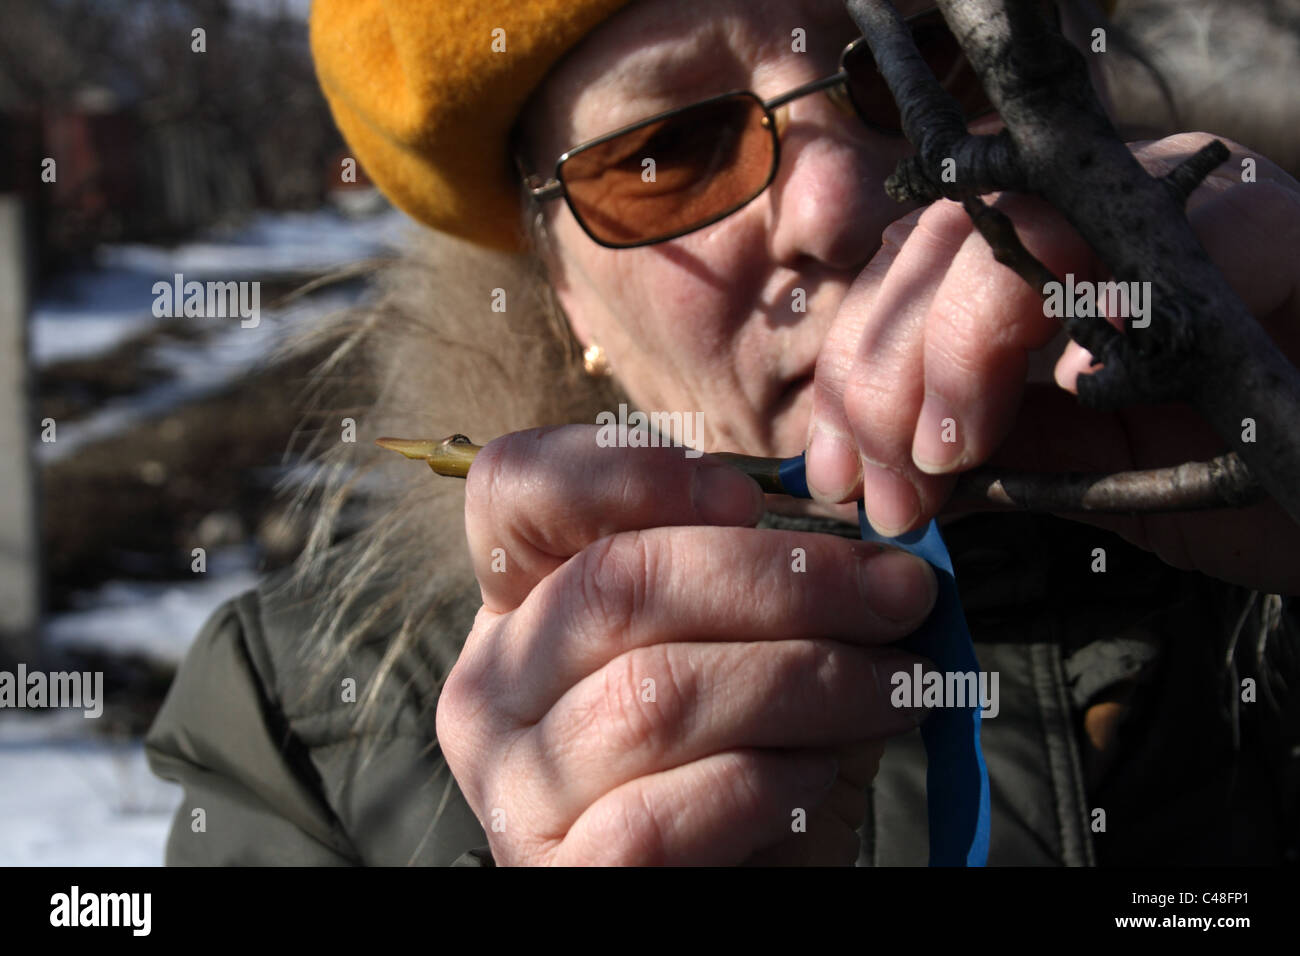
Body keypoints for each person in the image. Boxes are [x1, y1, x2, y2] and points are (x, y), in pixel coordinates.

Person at [145, 0, 1300, 865]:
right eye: (667, 154)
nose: (841, 201)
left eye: (918, 68)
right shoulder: (299, 736)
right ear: (562, 294)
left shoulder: (1255, 404)